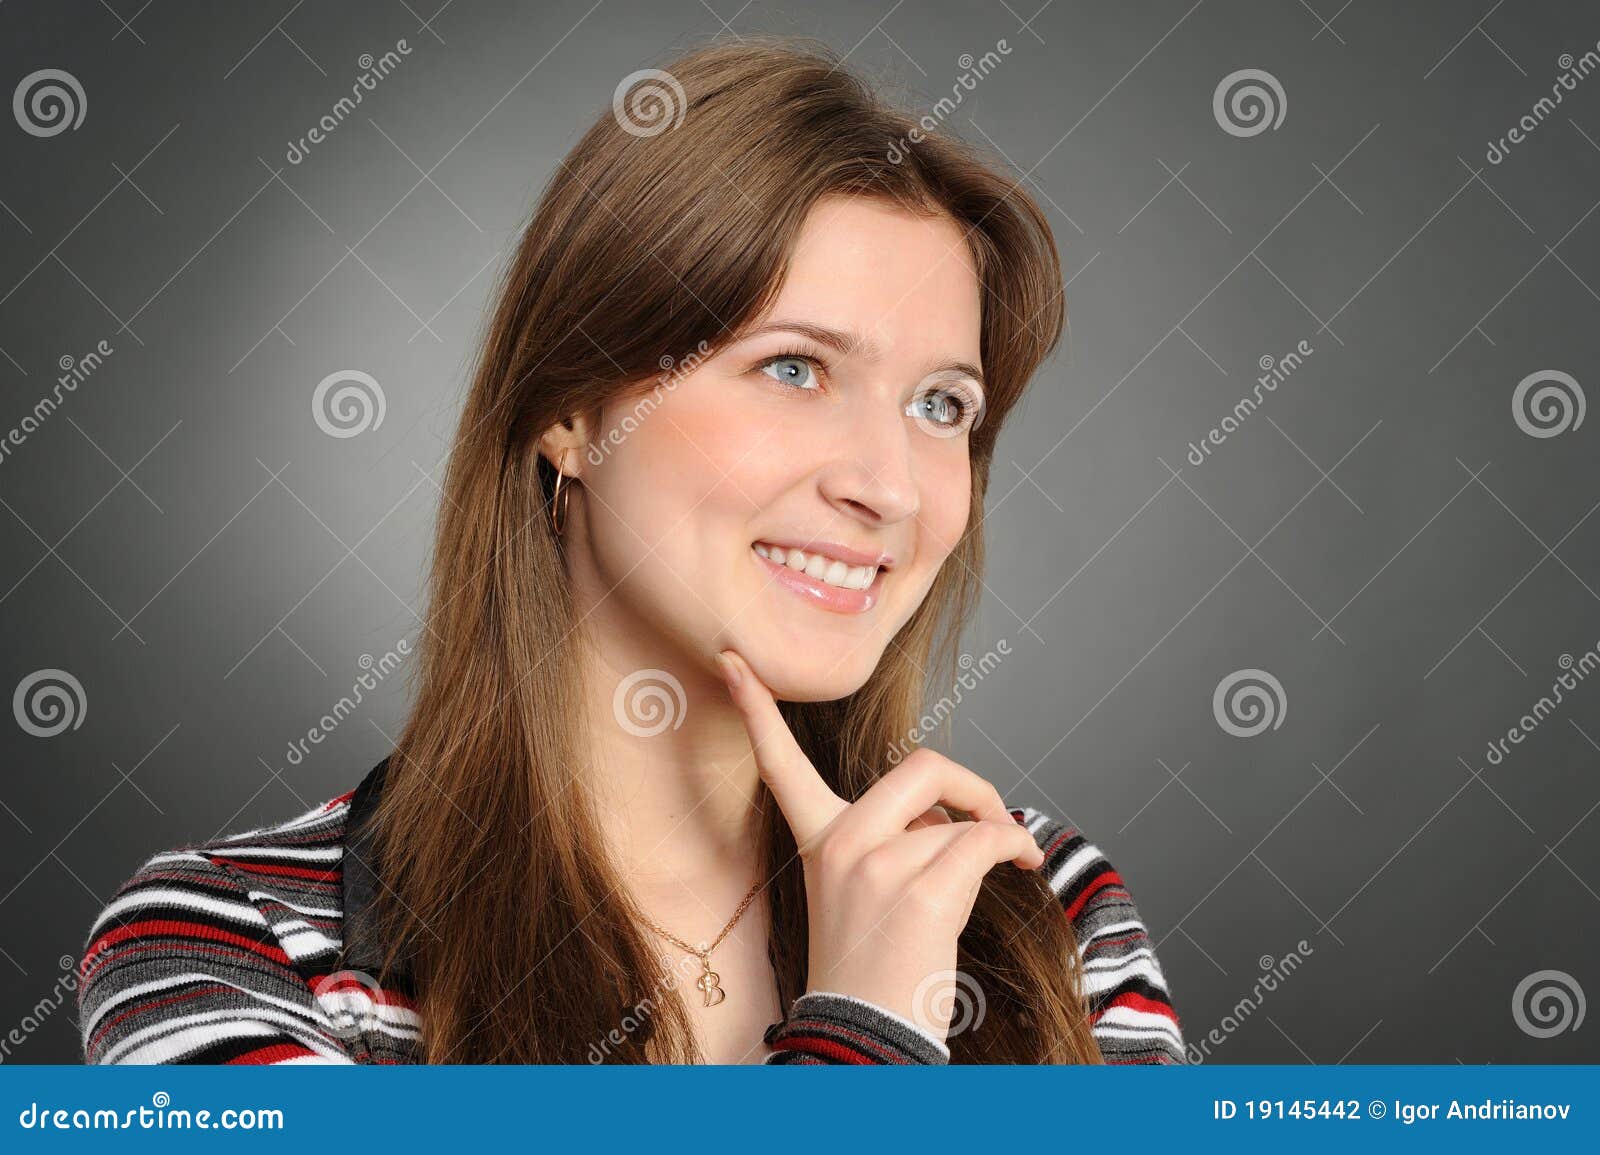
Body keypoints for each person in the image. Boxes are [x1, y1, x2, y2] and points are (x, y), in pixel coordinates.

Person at [76, 34, 1184, 1066]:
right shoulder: (230, 943)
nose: (889, 487)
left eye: (943, 405)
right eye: (793, 369)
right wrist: (870, 1027)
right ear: (570, 415)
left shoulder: (1044, 907)